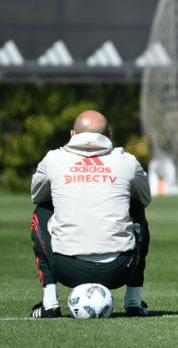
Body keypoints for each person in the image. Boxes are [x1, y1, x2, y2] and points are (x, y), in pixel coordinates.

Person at [29, 110, 152, 318]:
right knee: (137, 210)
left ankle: (50, 303)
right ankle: (134, 301)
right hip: (120, 268)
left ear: (72, 134)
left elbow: (38, 196)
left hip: (66, 268)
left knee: (41, 212)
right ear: (110, 136)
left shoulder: (53, 159)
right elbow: (144, 198)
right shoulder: (128, 161)